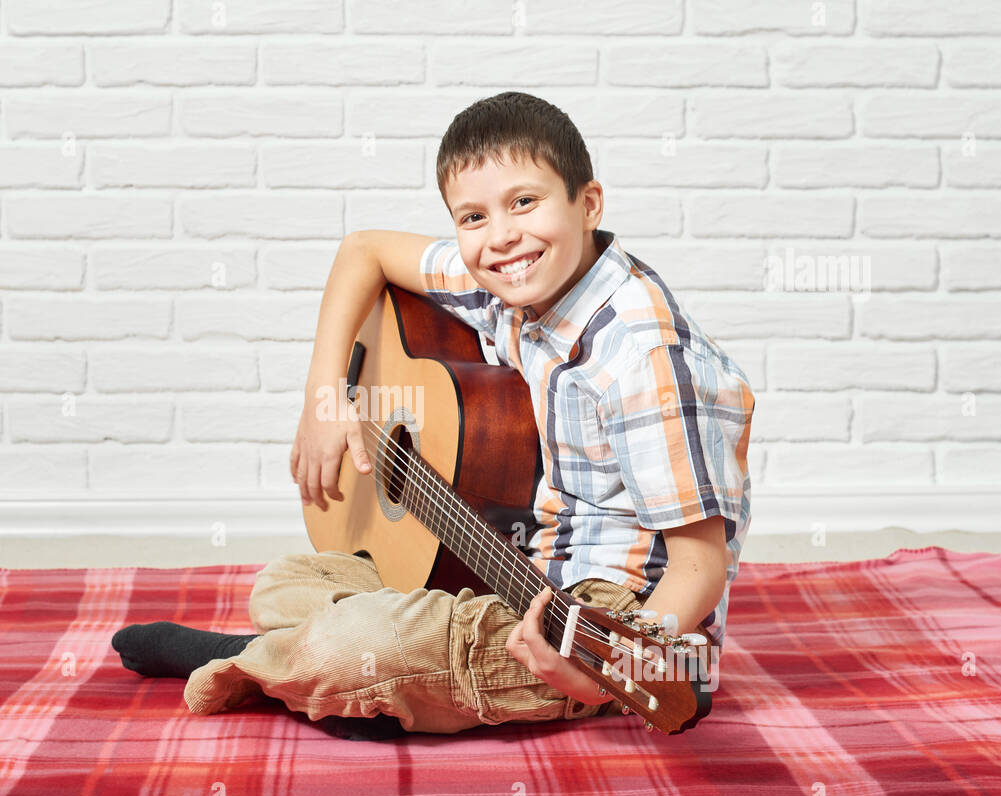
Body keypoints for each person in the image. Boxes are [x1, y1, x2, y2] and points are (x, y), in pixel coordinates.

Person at [113, 91, 755, 741]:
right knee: (289, 582)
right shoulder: (504, 274)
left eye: (525, 202)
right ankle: (374, 682)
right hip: (525, 564)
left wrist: (605, 663)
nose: (502, 234)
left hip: (607, 616)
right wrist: (326, 396)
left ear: (587, 203)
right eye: (472, 216)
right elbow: (363, 250)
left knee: (353, 642)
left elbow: (698, 569)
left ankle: (294, 666)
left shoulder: (646, 356)